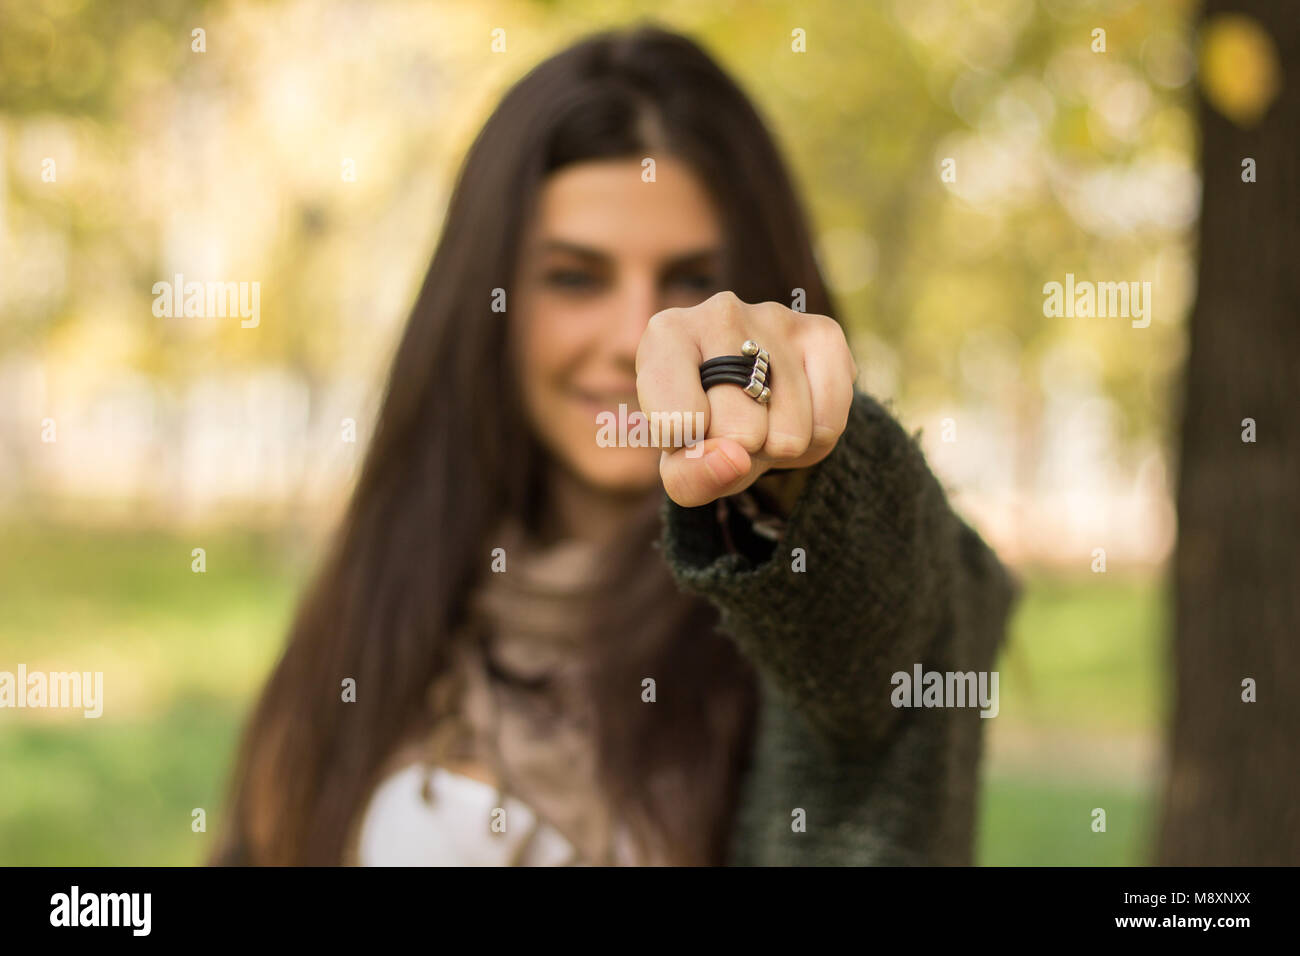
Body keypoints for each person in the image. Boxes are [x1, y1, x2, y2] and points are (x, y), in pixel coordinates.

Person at [209, 24, 1016, 867]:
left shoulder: (802, 618)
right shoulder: (389, 597)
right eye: (575, 277)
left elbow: (903, 613)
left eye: (692, 279)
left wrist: (814, 483)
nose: (638, 338)